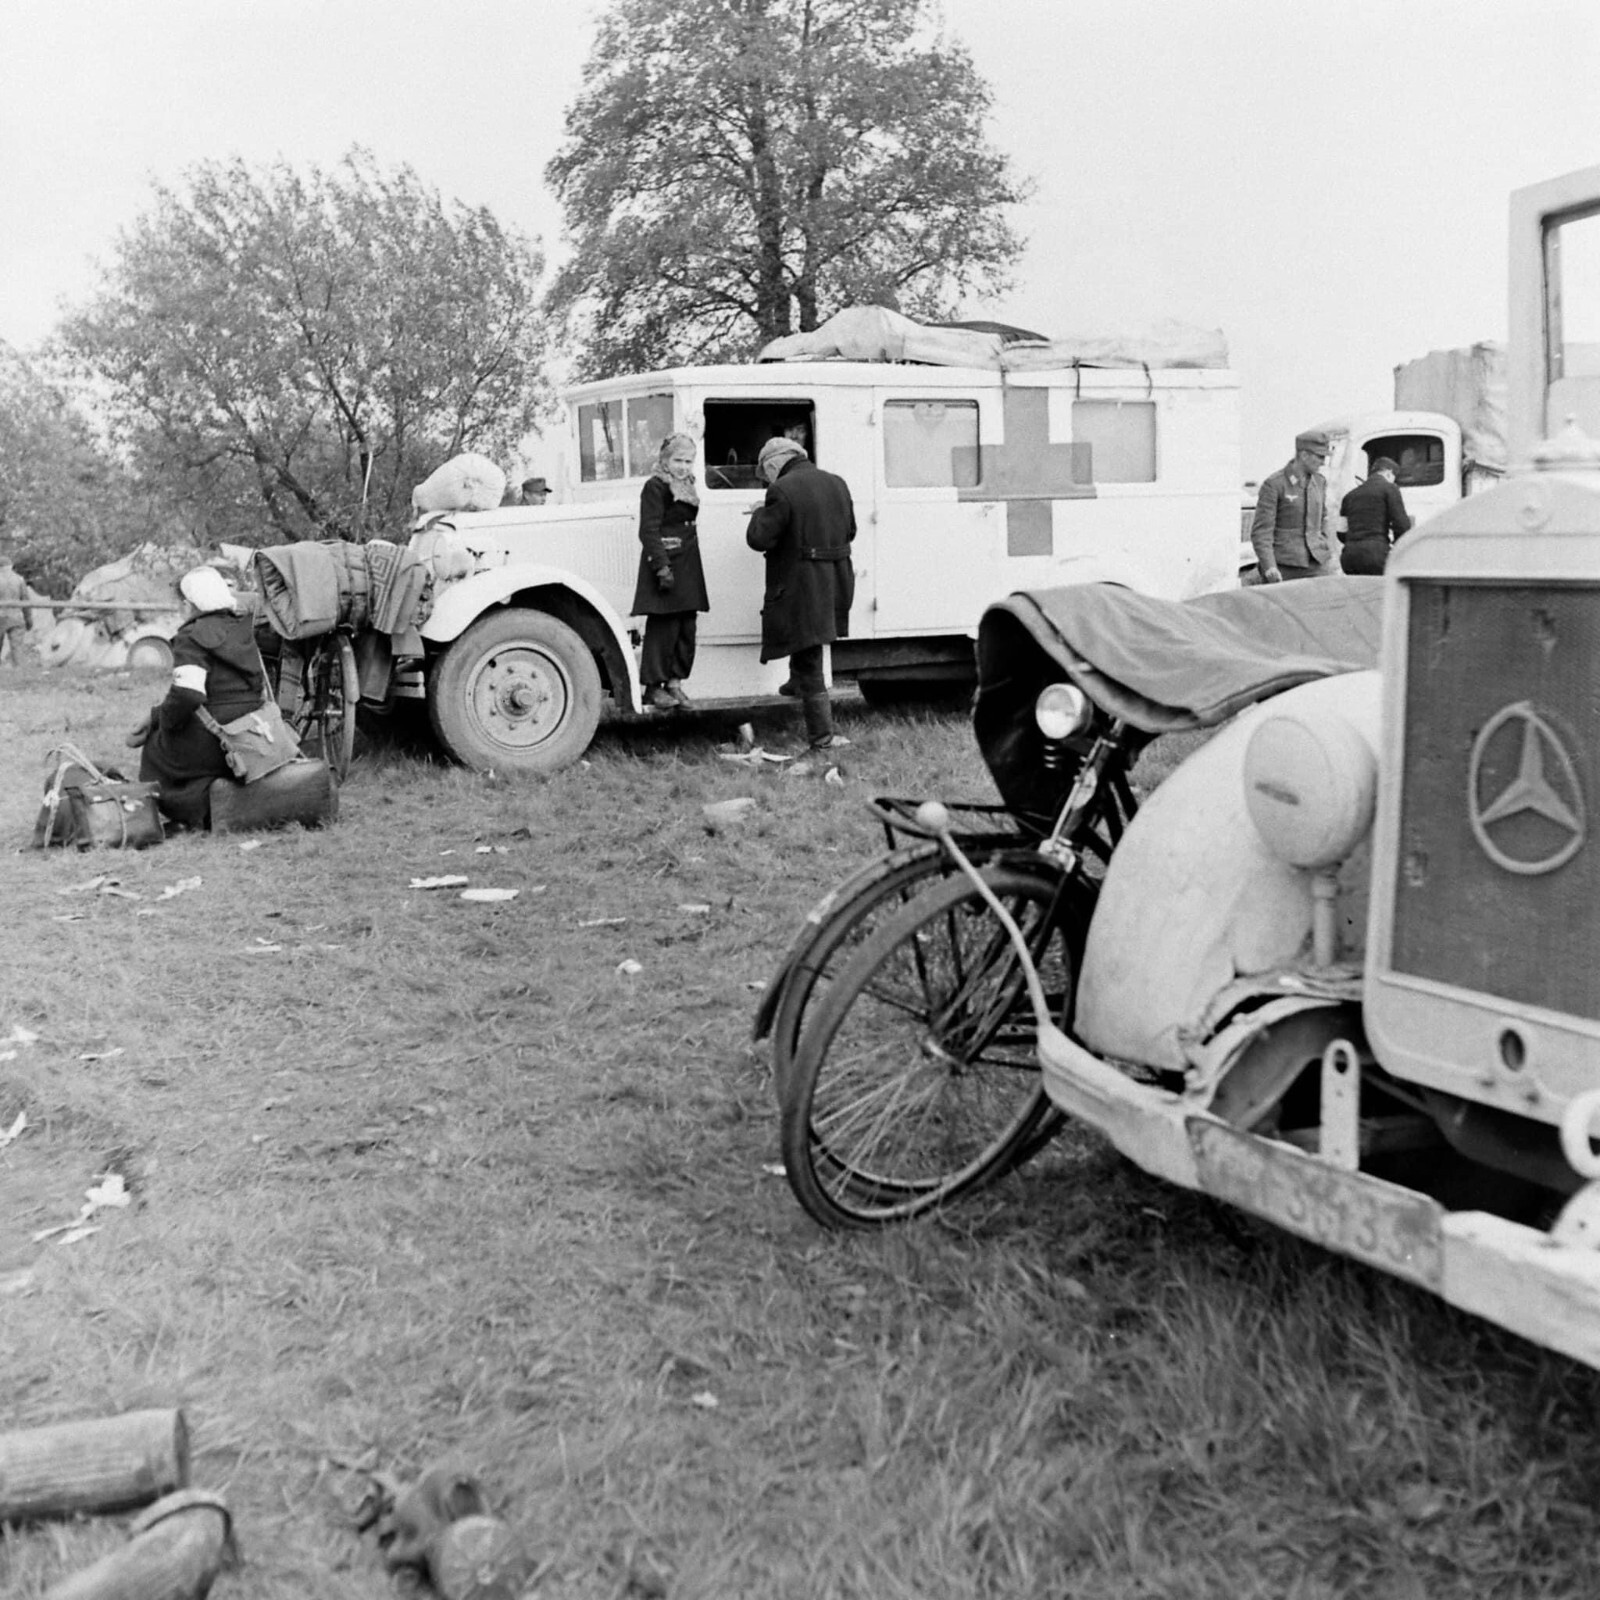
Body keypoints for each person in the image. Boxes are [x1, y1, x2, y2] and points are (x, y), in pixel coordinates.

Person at [128, 566, 267, 827]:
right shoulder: (243, 628)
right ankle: (225, 794)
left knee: (156, 749)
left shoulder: (192, 636)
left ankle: (196, 810)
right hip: (250, 733)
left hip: (216, 736)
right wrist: (155, 714)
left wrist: (162, 723)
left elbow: (188, 694)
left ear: (187, 605)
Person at [745, 435, 856, 751]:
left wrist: (759, 512)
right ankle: (795, 684)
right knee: (810, 639)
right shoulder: (837, 483)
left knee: (809, 656)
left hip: (805, 584)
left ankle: (822, 738)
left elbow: (759, 539)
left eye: (766, 473)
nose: (768, 480)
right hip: (836, 579)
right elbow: (850, 531)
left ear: (773, 464)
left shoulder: (781, 489)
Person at [631, 434, 708, 709]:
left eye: (688, 461)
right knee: (664, 626)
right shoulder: (655, 486)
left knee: (686, 626)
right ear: (665, 460)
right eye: (678, 460)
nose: (683, 467)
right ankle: (653, 687)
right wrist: (661, 566)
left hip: (688, 562)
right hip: (667, 564)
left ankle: (675, 683)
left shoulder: (687, 484)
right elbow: (648, 530)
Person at [1250, 429, 1335, 582]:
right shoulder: (1275, 484)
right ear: (1304, 455)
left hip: (1317, 563)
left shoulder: (1320, 482)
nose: (1323, 462)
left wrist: (1324, 544)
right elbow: (1262, 533)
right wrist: (1270, 567)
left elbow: (1323, 518)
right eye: (1320, 457)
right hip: (1285, 566)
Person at [1338, 455, 1413, 574]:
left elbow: (1341, 532)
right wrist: (1396, 546)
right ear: (1389, 473)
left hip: (1349, 558)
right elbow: (1402, 525)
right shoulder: (1390, 489)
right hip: (1376, 555)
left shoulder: (1349, 496)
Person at [0, 552, 29, 667]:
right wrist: (29, 620)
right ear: (10, 566)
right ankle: (18, 670)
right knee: (17, 647)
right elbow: (26, 601)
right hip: (16, 616)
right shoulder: (19, 579)